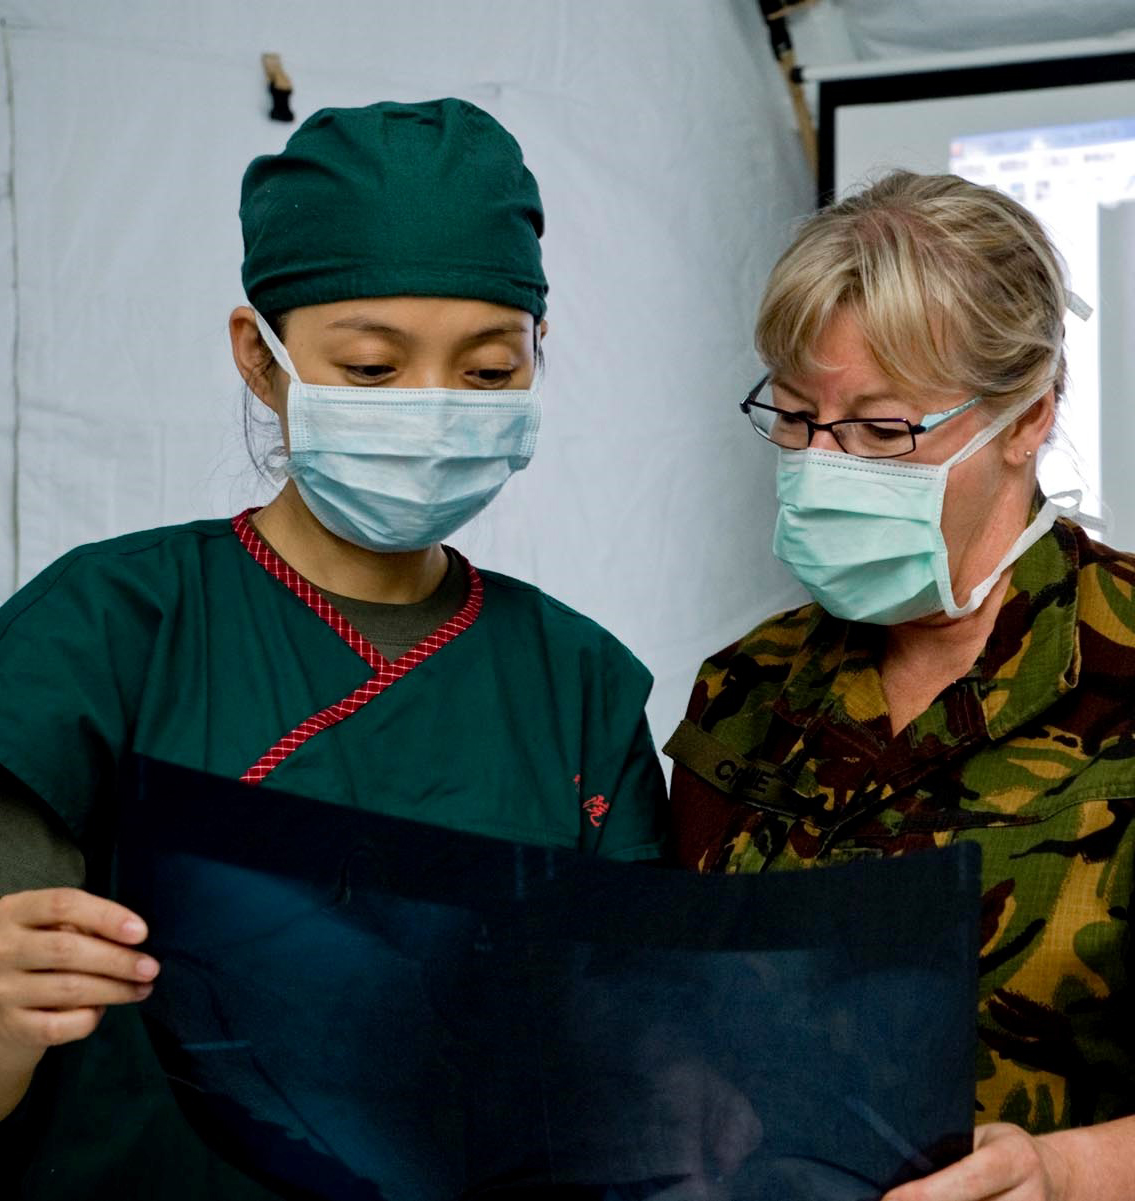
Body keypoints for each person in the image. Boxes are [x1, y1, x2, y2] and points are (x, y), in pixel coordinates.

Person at [0, 99, 666, 1197]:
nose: (435, 409)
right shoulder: (105, 630)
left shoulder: (576, 683)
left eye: (488, 372)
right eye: (369, 368)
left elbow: (627, 1064)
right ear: (260, 362)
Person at [665, 170, 1135, 1200]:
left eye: (883, 431)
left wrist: (1063, 1171)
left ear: (1026, 415)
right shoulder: (746, 691)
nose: (822, 464)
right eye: (792, 416)